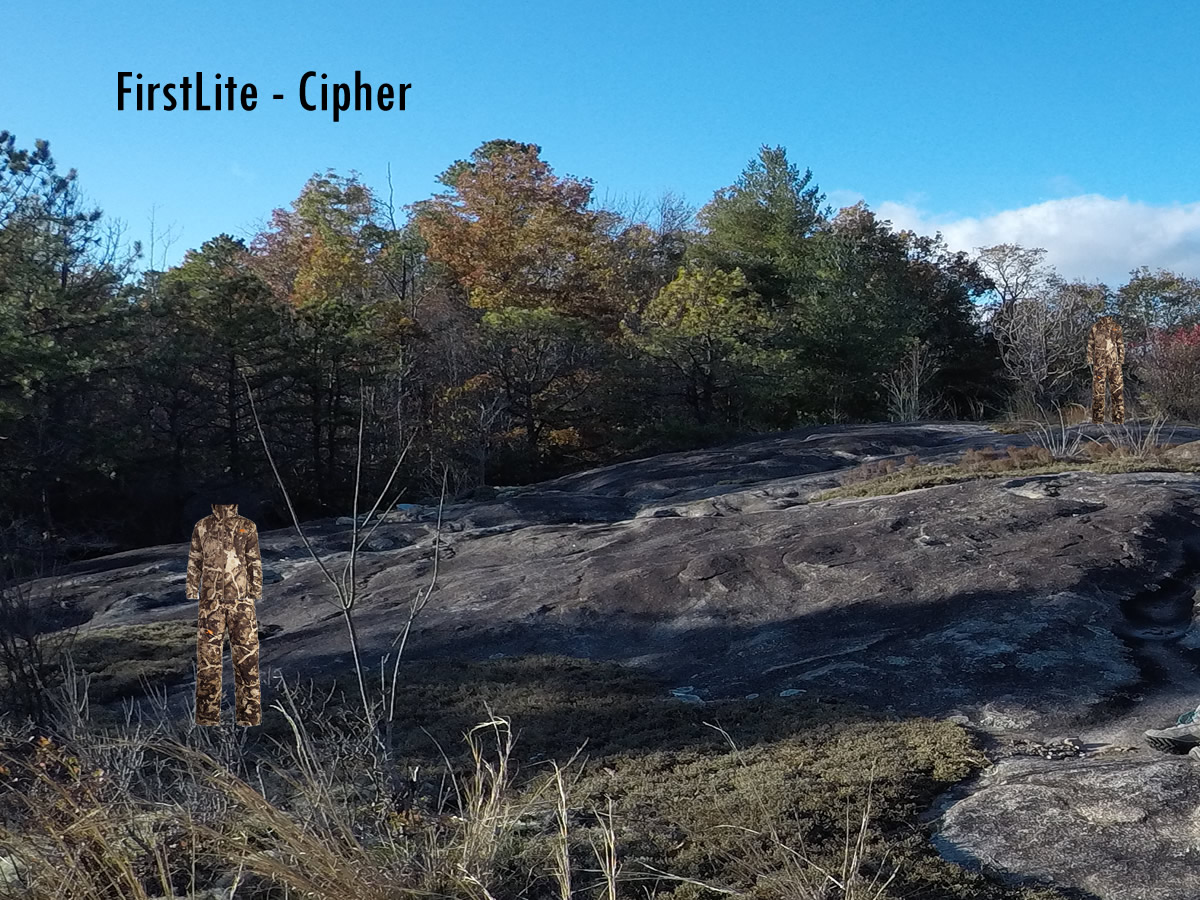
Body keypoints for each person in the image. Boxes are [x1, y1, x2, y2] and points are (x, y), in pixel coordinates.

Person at [1086, 315, 1125, 424]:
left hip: (1114, 364)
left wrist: (1121, 360)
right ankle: (1097, 419)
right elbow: (1090, 344)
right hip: (1099, 364)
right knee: (1098, 392)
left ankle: (1118, 419)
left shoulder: (1117, 327)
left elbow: (1120, 344)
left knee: (1117, 391)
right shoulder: (1095, 327)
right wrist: (1090, 358)